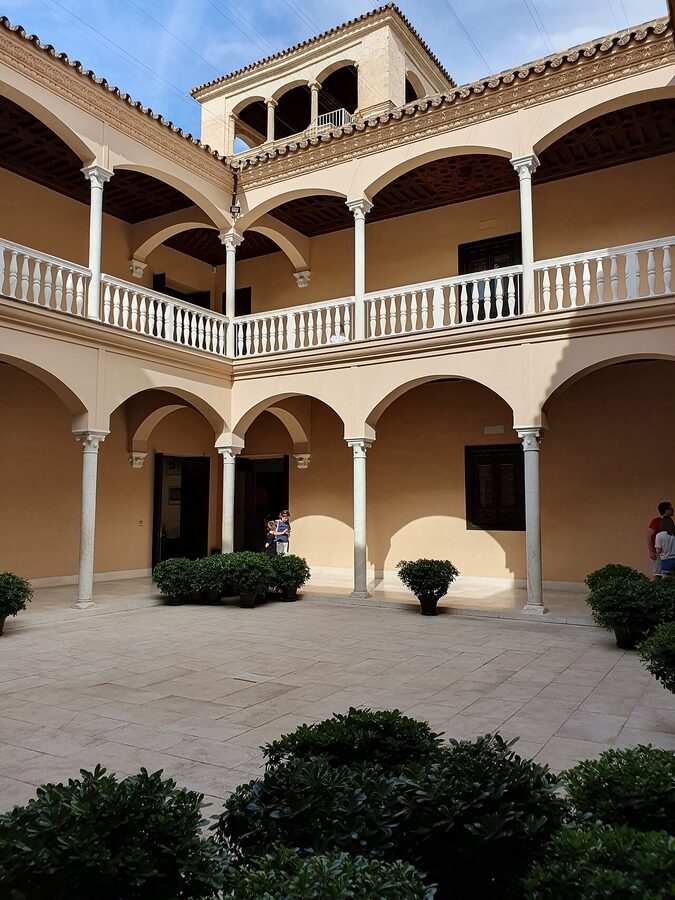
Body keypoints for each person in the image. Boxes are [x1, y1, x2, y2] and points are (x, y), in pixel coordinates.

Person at [647, 502, 674, 579]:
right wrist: (651, 551)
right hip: (658, 553)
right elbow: (649, 535)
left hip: (669, 555)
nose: (673, 510)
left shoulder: (670, 523)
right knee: (658, 574)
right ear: (666, 510)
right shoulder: (656, 521)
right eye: (671, 508)